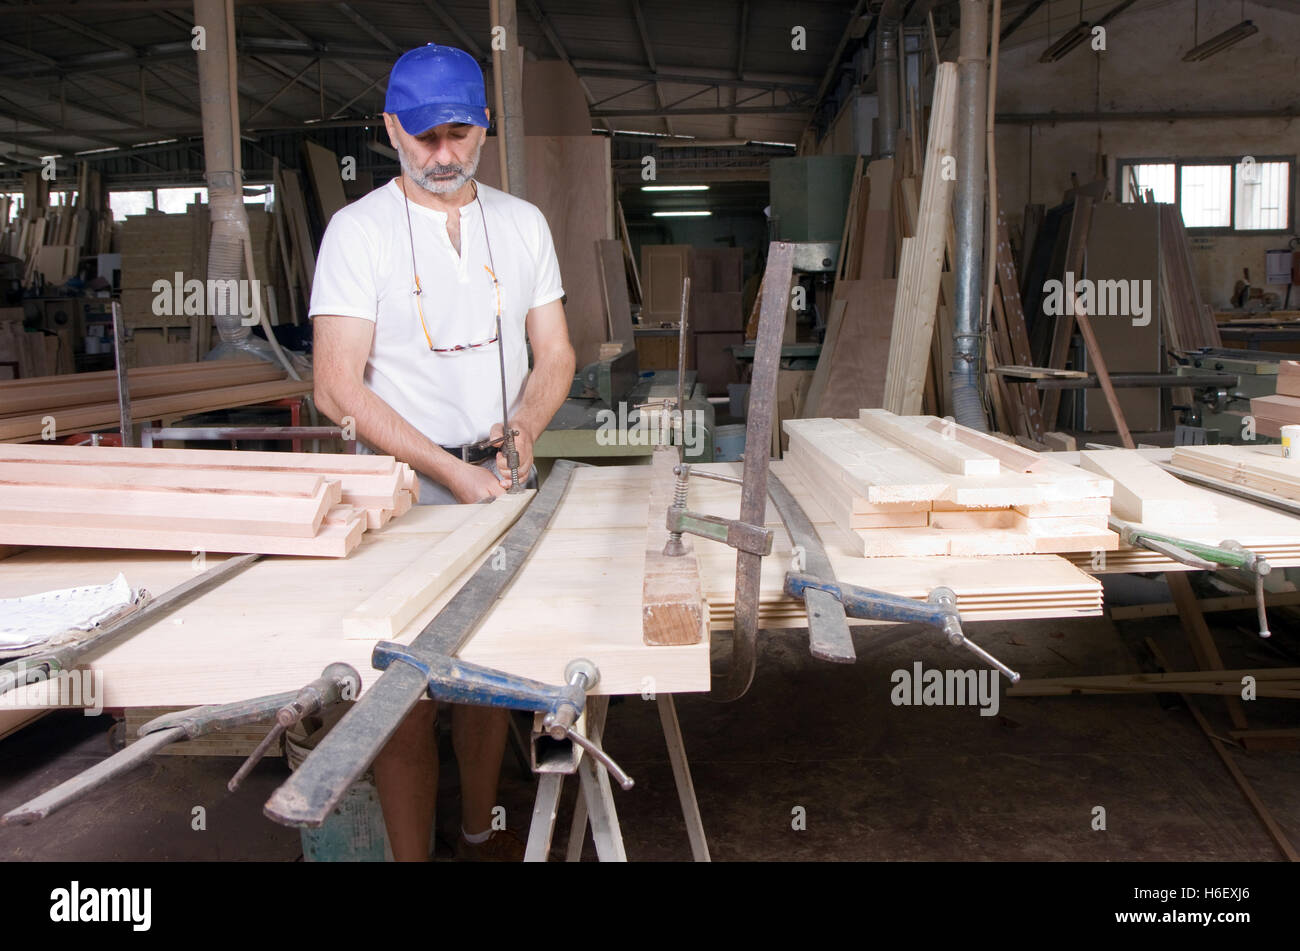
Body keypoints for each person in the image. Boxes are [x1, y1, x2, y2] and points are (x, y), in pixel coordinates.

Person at [309, 42, 575, 861]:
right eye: (423, 137)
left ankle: (477, 832)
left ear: (485, 130)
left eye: (458, 134)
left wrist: (522, 430)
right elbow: (335, 385)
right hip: (400, 495)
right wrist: (445, 469)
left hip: (496, 481)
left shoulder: (523, 224)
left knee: (486, 678)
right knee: (403, 693)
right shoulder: (359, 233)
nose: (442, 156)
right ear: (391, 128)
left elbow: (557, 353)